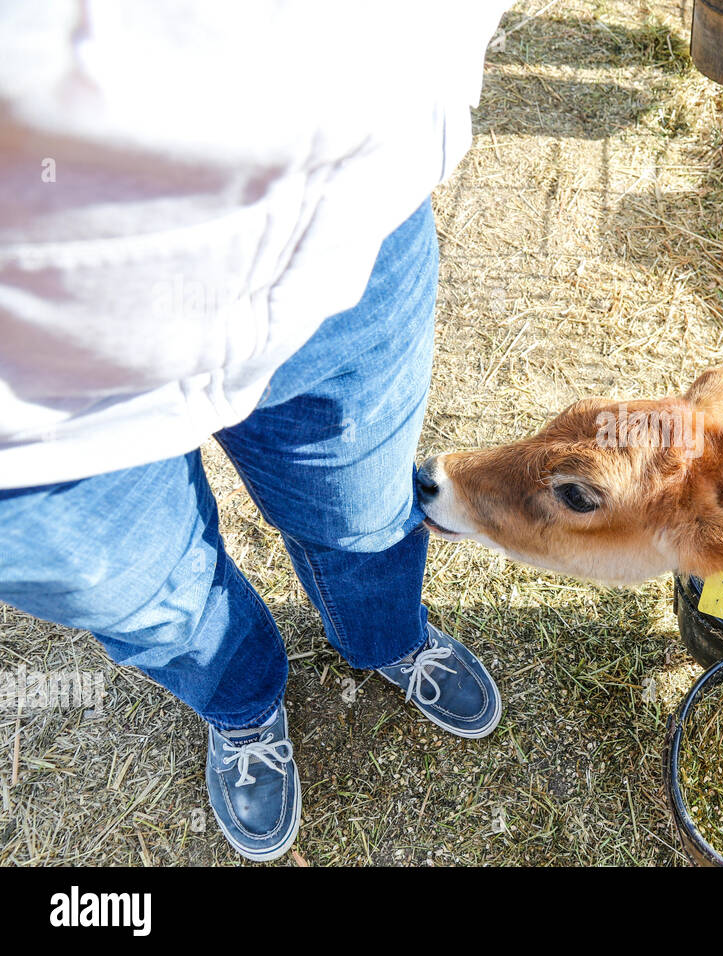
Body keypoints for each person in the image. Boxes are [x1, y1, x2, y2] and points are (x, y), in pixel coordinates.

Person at [0, 2, 513, 862]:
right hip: (27, 408)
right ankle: (244, 707)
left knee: (366, 511)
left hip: (338, 219)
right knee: (154, 605)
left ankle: (387, 637)